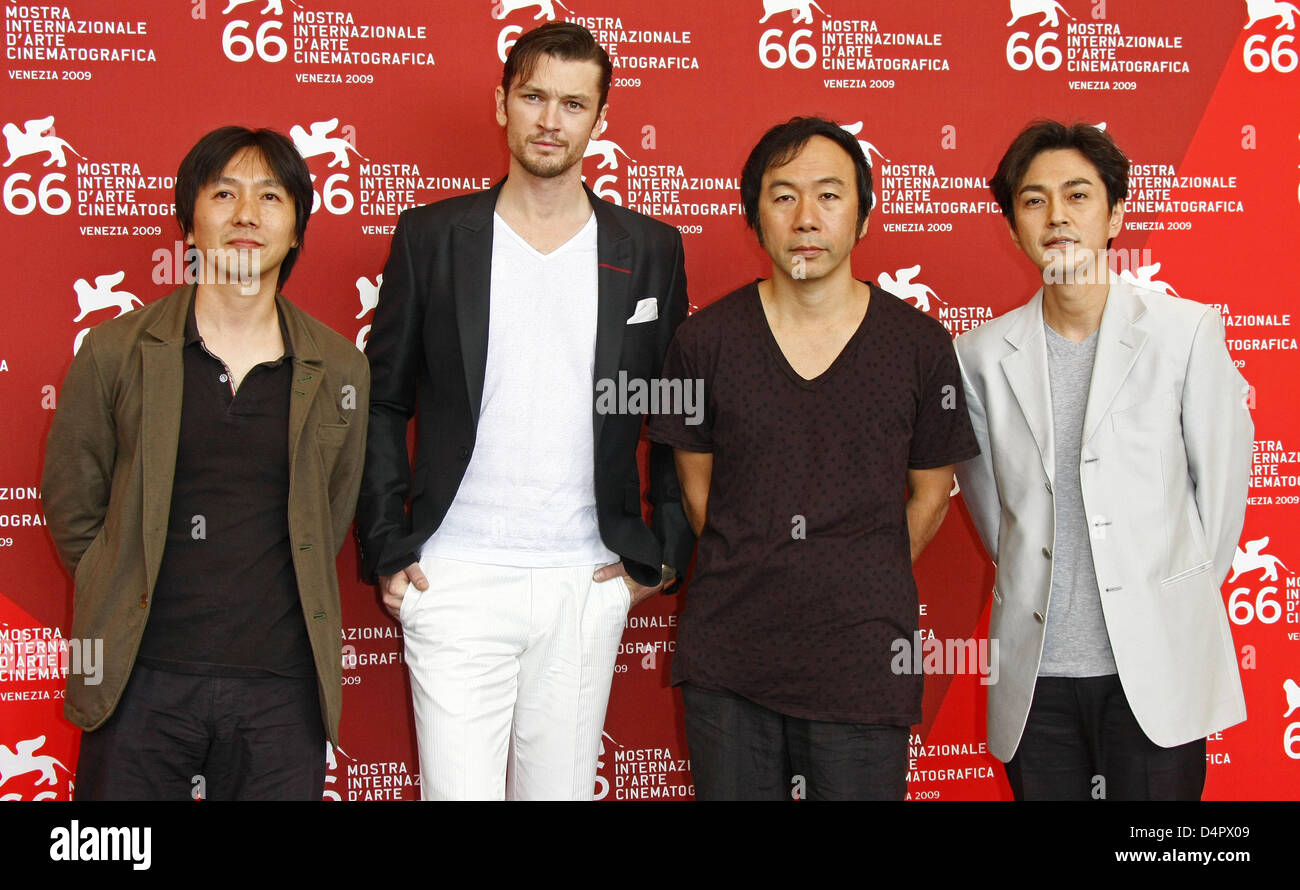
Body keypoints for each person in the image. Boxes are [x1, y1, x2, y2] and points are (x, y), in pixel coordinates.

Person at [357, 22, 693, 801]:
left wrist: (662, 550)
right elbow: (382, 398)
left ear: (601, 120)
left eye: (573, 103)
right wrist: (385, 540)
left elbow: (671, 409)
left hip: (588, 576)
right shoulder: (434, 238)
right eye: (534, 96)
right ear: (501, 103)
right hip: (455, 575)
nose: (550, 119)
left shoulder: (650, 250)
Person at [647, 117, 979, 800]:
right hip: (731, 659)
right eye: (783, 195)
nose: (806, 218)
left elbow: (930, 495)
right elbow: (698, 495)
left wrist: (853, 572)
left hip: (862, 664)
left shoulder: (920, 347)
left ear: (863, 214)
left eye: (829, 195)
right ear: (755, 216)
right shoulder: (702, 342)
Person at [43, 126, 370, 800]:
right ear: (189, 223)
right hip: (139, 683)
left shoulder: (339, 367)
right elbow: (75, 507)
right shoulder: (115, 352)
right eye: (224, 194)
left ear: (297, 229)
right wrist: (117, 575)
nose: (246, 215)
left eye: (270, 198)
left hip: (282, 692)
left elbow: (331, 511)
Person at [954, 120, 1253, 800]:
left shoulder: (1185, 332)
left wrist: (1162, 598)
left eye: (1078, 195)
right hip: (1038, 682)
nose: (1057, 215)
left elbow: (1221, 498)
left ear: (1115, 212)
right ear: (1012, 226)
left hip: (1156, 669)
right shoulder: (979, 356)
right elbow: (993, 508)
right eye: (1033, 200)